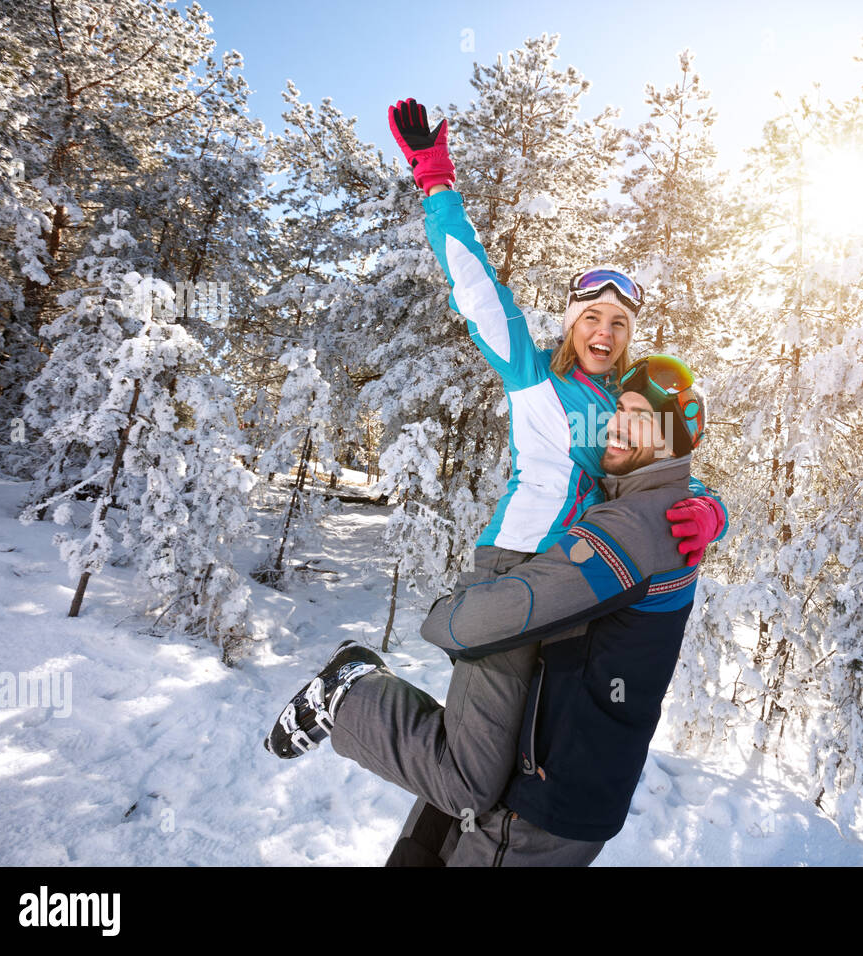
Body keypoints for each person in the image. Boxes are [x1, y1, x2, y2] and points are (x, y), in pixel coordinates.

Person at [262, 98, 727, 862]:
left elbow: (662, 472)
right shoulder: (531, 377)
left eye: (618, 325)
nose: (604, 334)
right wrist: (437, 185)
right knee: (473, 779)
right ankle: (350, 692)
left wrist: (711, 511)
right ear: (570, 322)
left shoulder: (625, 404)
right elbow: (476, 288)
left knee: (495, 775)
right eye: (591, 318)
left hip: (577, 601)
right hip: (518, 577)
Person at [272, 354, 713, 866]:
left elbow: (518, 607)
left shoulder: (640, 525)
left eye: (640, 419)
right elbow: (518, 606)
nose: (617, 426)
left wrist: (444, 619)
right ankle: (353, 694)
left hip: (547, 779)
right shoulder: (645, 510)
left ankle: (354, 696)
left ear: (672, 442)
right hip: (532, 788)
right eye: (620, 411)